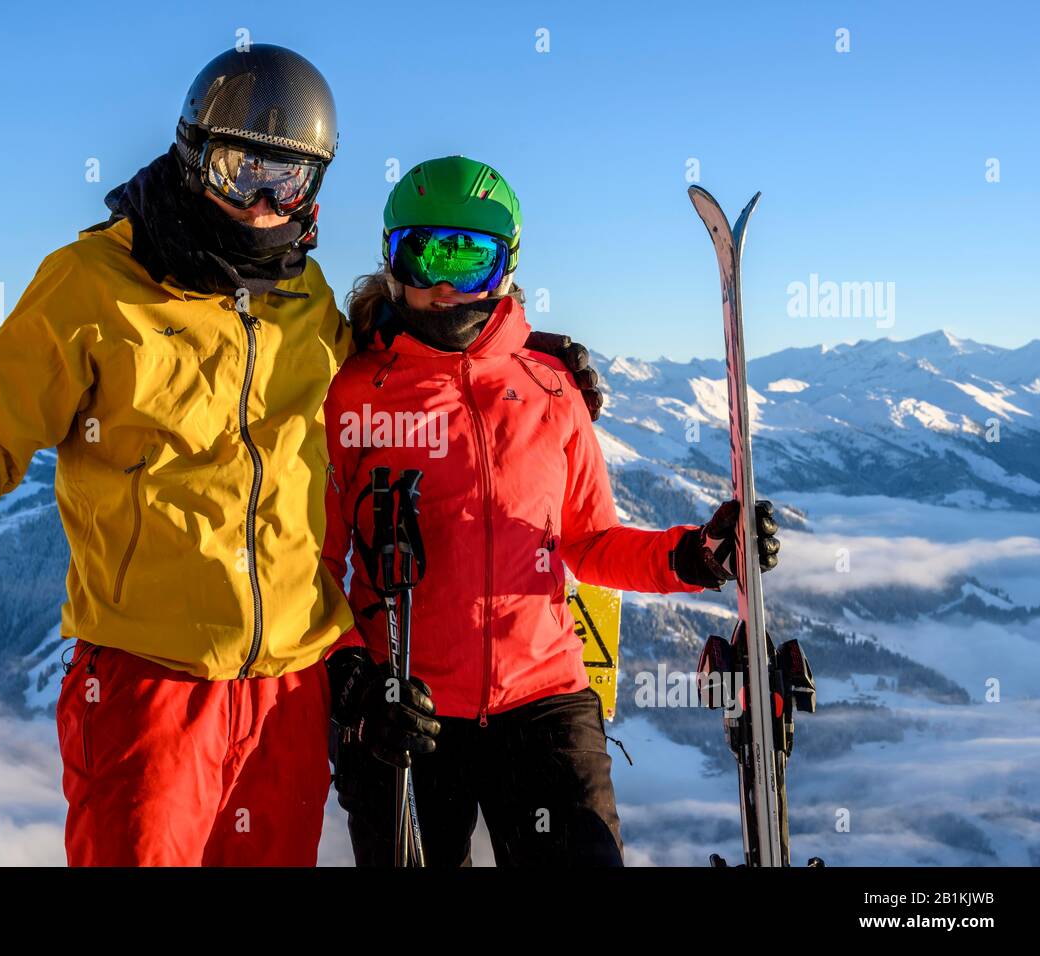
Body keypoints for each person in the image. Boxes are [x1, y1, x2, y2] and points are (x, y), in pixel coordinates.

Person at [0, 47, 600, 866]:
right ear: (194, 156)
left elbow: (390, 370)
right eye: (242, 172)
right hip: (150, 691)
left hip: (291, 698)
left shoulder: (307, 299)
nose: (264, 206)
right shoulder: (94, 283)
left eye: (287, 183)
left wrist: (517, 356)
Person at [322, 156, 782, 867]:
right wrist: (350, 676)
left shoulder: (550, 389)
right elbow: (310, 560)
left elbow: (590, 542)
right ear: (391, 262)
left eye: (469, 261)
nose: (445, 287)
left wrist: (695, 556)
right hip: (398, 706)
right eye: (424, 256)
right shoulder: (350, 395)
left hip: (541, 702)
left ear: (505, 269)